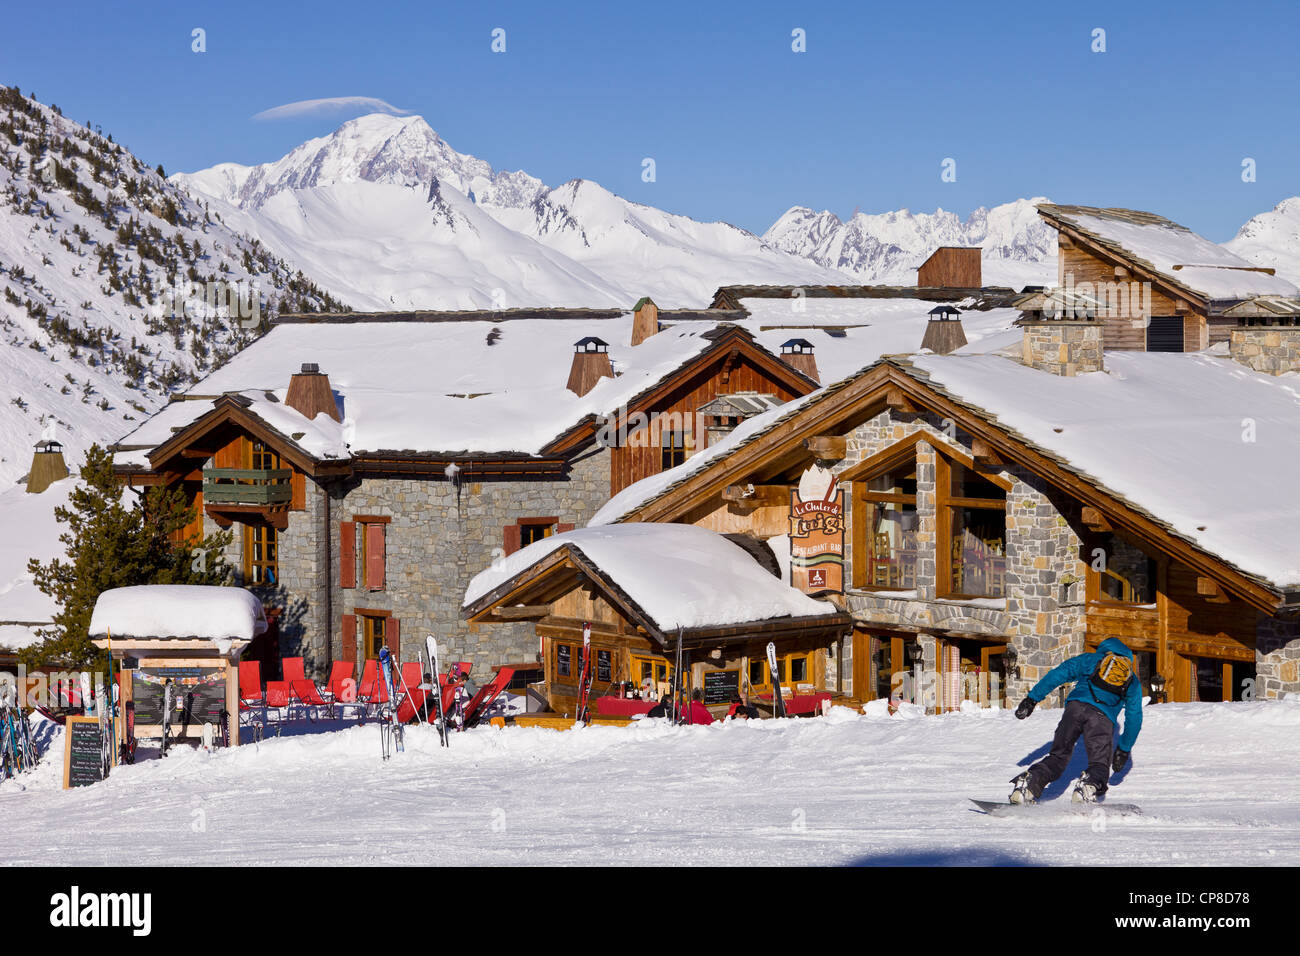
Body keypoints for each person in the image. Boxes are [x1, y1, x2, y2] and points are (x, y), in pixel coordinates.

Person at [1010, 637, 1143, 805]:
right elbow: (1135, 716)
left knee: (1058, 756)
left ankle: (1028, 784)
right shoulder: (1131, 680)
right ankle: (1087, 787)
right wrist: (1123, 749)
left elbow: (1059, 673)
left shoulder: (1090, 659)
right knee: (1099, 763)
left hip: (1074, 710)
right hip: (1102, 719)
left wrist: (1032, 699)